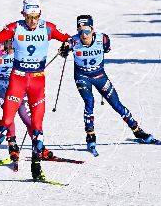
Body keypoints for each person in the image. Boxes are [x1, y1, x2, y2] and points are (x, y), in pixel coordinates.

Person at [0, 0, 70, 180]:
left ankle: (36, 166)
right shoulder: (15, 27)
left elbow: (68, 39)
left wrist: (67, 46)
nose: (32, 21)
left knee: (36, 125)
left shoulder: (48, 28)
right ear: (23, 15)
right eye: (29, 17)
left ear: (40, 16)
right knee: (7, 119)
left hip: (37, 82)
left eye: (35, 17)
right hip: (17, 80)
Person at [61, 15, 154, 154]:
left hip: (99, 76)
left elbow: (107, 48)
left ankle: (136, 130)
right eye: (80, 32)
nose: (83, 35)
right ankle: (90, 135)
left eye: (86, 31)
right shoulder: (72, 41)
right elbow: (63, 52)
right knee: (89, 101)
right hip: (82, 76)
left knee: (116, 104)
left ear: (92, 30)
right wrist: (63, 49)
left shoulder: (102, 39)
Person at [0, 39, 55, 165]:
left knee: (26, 116)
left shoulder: (24, 49)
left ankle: (39, 147)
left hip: (16, 81)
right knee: (8, 112)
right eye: (10, 44)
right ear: (5, 42)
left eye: (16, 44)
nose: (13, 47)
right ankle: (12, 144)